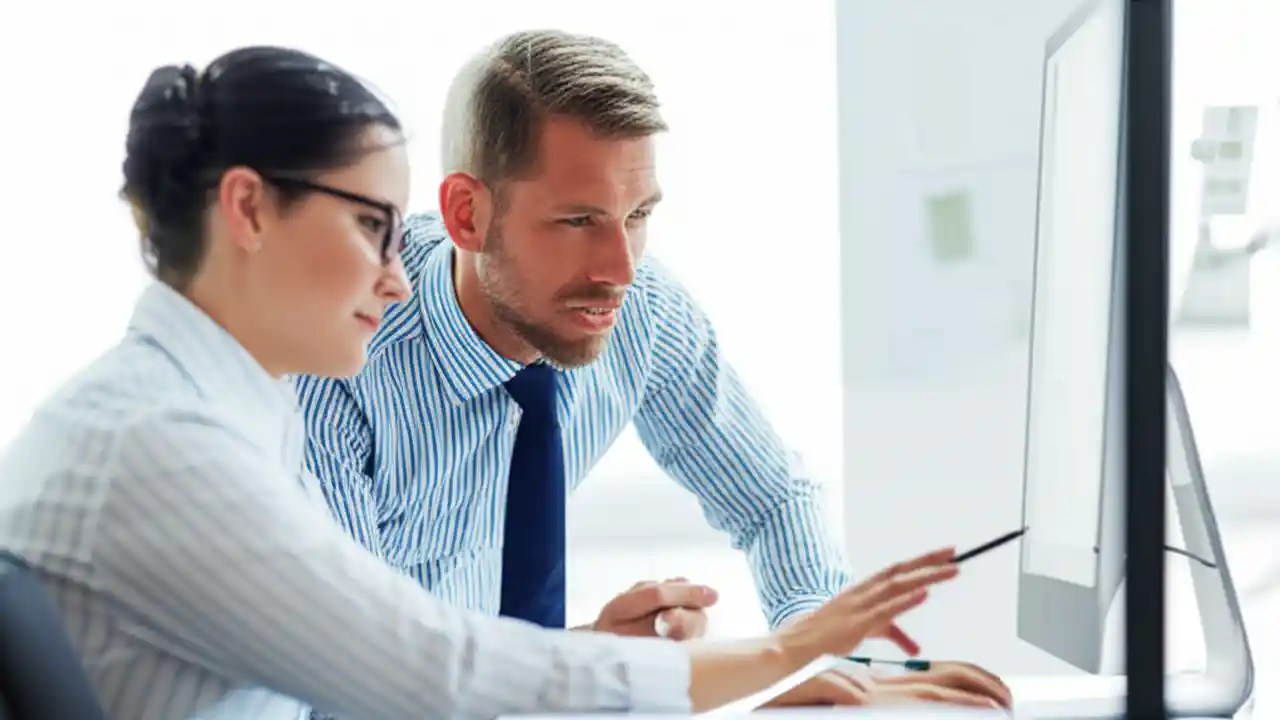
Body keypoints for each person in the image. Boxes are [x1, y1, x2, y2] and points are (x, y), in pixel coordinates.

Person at [0, 46, 971, 720]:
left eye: (637, 218)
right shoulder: (166, 444)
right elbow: (414, 672)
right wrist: (773, 660)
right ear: (248, 209)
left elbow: (431, 669)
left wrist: (650, 664)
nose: (394, 271)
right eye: (370, 226)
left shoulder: (216, 406)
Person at [294, 29, 1013, 709]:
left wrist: (819, 660)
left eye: (637, 215)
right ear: (466, 215)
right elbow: (363, 686)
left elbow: (771, 499)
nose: (620, 268)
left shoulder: (640, 311)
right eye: (578, 221)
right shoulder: (337, 362)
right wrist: (612, 671)